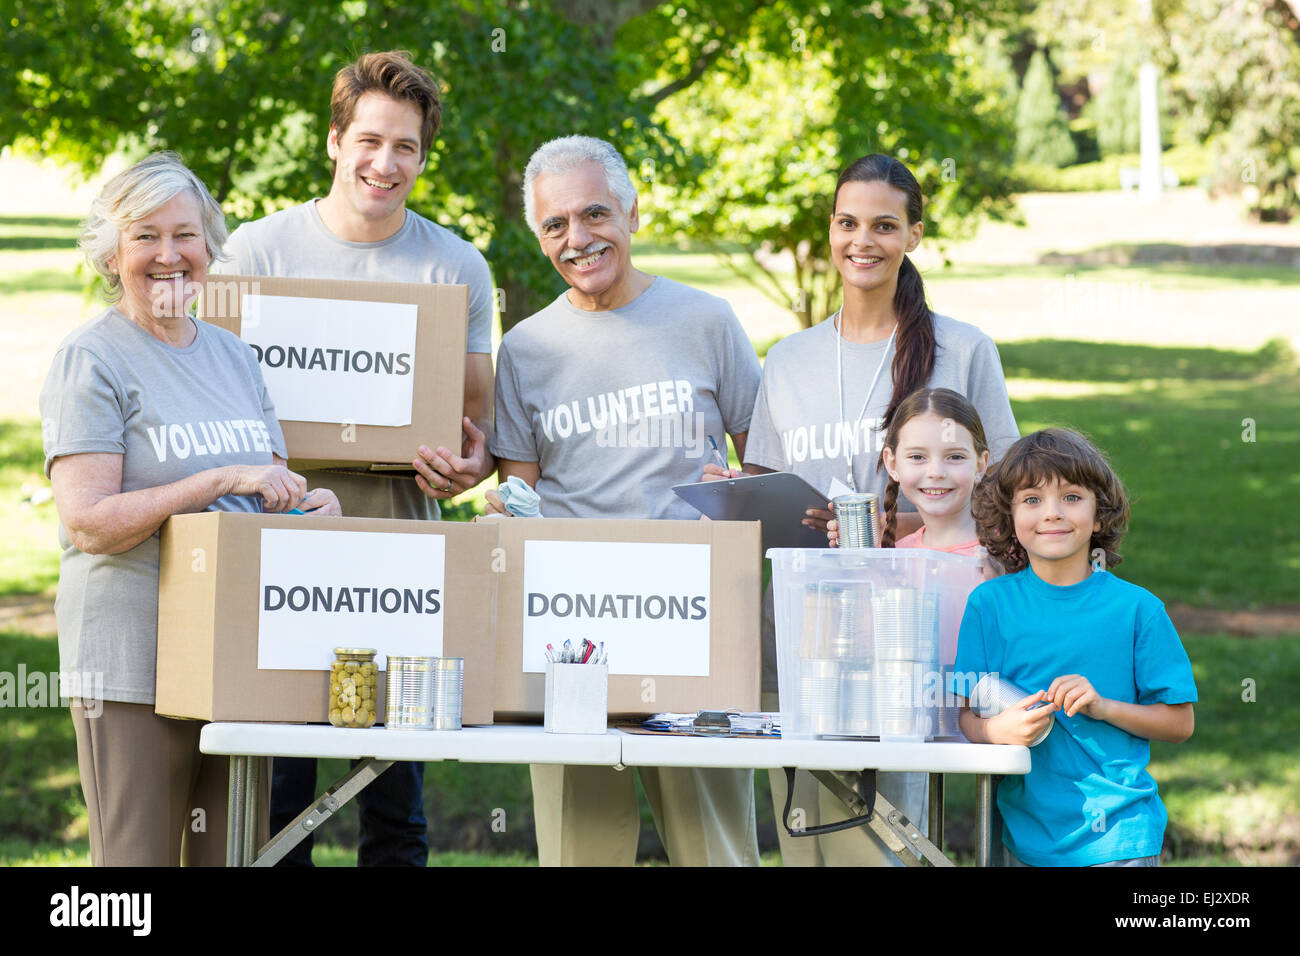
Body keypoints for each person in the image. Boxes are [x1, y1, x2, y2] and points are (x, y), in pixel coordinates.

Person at [212, 50, 496, 867]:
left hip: (396, 556)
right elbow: (218, 409)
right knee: (276, 799)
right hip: (277, 553)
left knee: (395, 804)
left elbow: (472, 433)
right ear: (335, 141)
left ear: (422, 155)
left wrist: (465, 469)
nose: (385, 162)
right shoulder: (256, 254)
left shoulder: (455, 266)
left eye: (405, 146)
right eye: (369, 139)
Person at [707, 154, 1020, 866]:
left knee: (892, 836)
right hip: (801, 625)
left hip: (916, 628)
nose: (863, 241)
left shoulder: (964, 350)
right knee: (805, 834)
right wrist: (733, 488)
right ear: (830, 230)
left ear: (913, 234)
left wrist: (903, 528)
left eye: (884, 225)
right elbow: (765, 481)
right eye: (848, 223)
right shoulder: (788, 358)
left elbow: (1005, 493)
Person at [39, 152, 341, 866]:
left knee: (230, 858)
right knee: (135, 871)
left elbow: (262, 491)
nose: (169, 255)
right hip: (130, 659)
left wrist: (307, 509)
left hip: (235, 657)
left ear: (209, 245)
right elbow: (89, 522)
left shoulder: (235, 358)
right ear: (111, 254)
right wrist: (209, 483)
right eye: (145, 236)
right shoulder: (93, 358)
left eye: (186, 235)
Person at [489, 135, 764, 866]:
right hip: (572, 628)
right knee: (582, 846)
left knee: (717, 846)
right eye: (555, 225)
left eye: (594, 214)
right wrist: (504, 515)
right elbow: (519, 499)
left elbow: (764, 468)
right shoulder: (525, 348)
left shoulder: (706, 321)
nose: (577, 239)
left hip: (695, 615)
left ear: (633, 213)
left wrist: (735, 496)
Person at [955, 428, 1196, 866]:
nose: (1051, 513)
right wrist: (995, 732)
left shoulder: (1137, 610)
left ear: (1099, 515)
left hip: (1118, 839)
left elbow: (1180, 723)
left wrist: (1104, 707)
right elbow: (965, 714)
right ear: (1009, 516)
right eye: (1031, 499)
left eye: (1071, 497)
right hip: (1020, 836)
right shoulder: (988, 605)